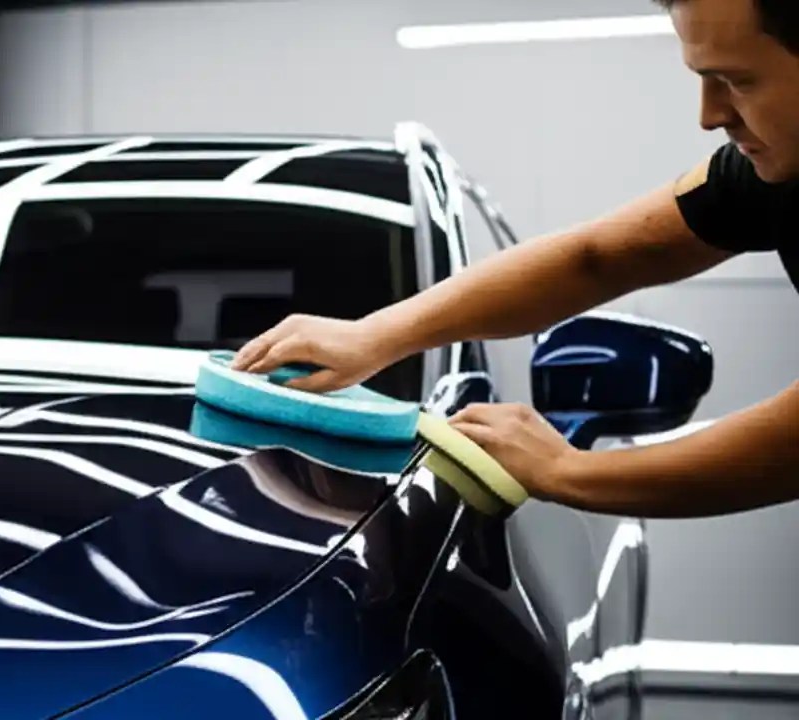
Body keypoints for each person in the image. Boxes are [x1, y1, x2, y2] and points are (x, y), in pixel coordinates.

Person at [231, 0, 799, 519]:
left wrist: (568, 471)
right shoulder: (765, 175)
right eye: (704, 79)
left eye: (736, 81)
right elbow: (596, 259)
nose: (709, 115)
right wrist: (373, 336)